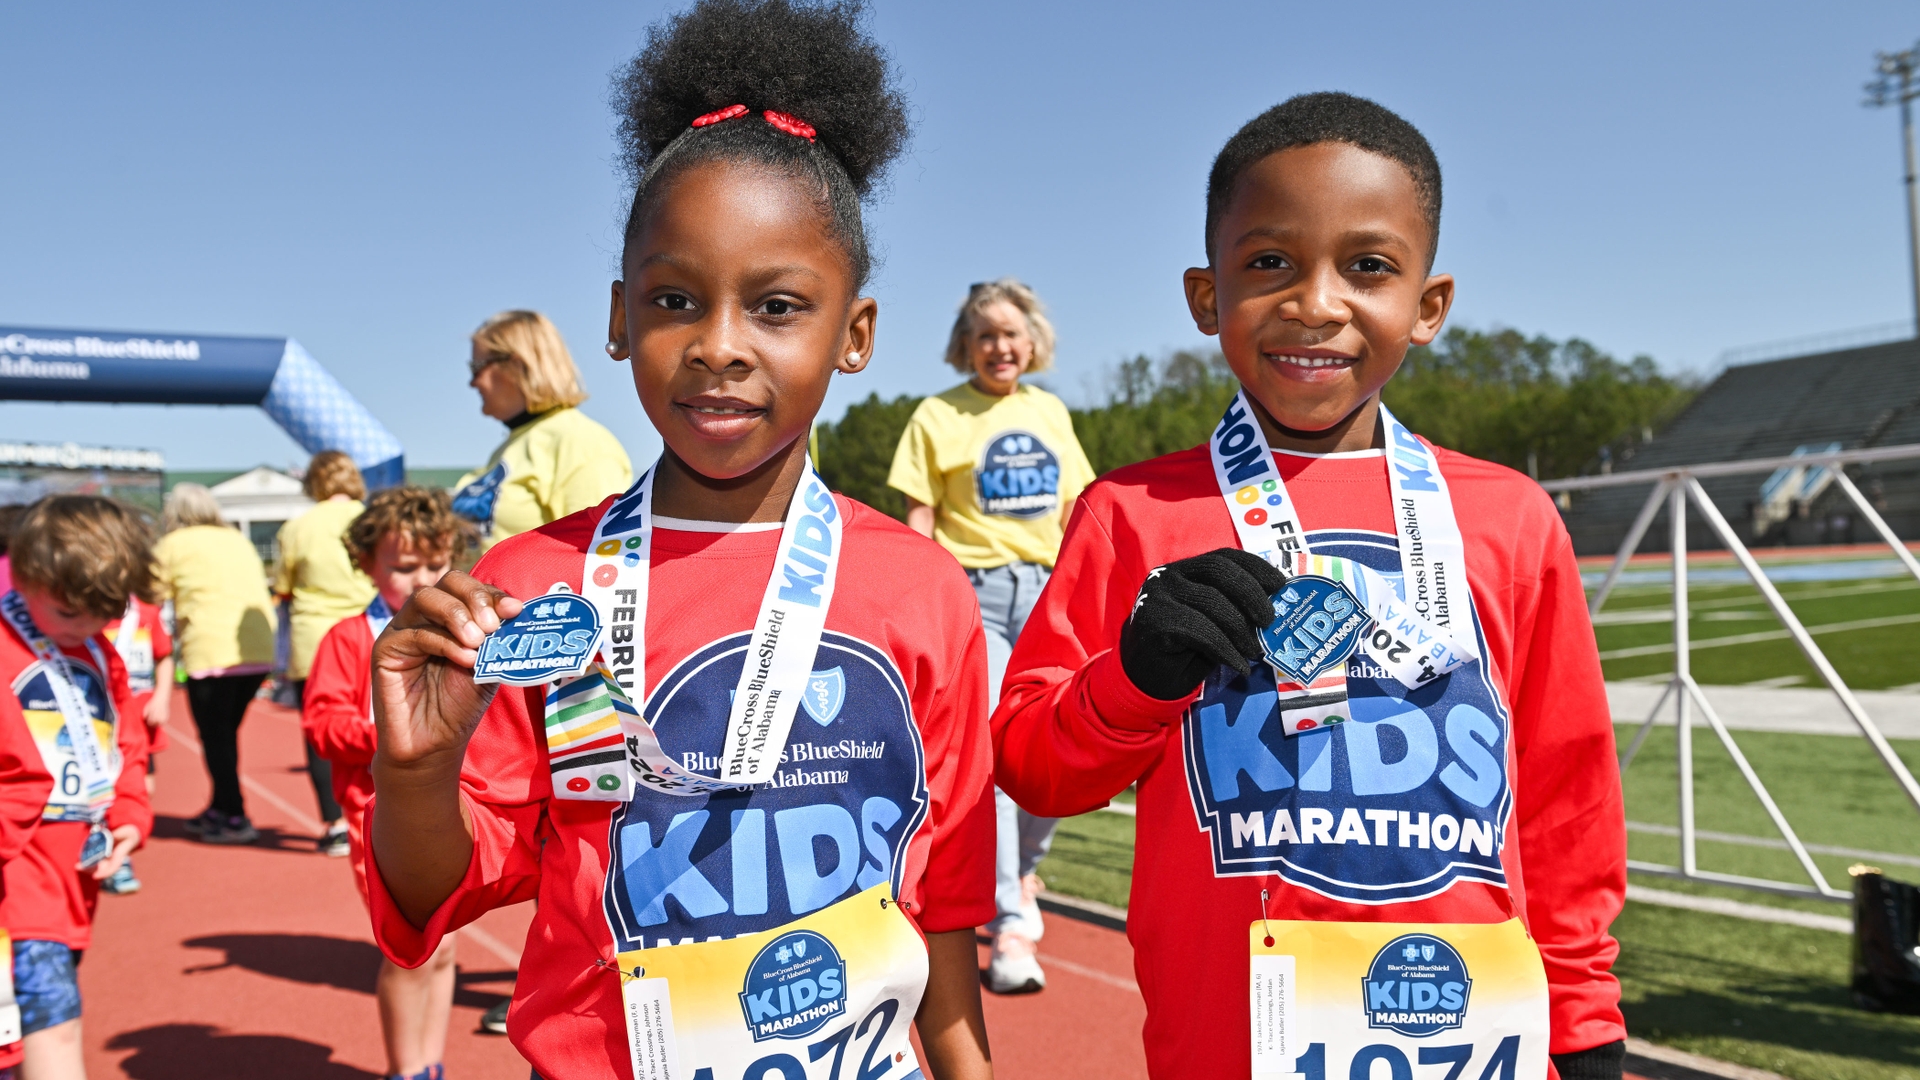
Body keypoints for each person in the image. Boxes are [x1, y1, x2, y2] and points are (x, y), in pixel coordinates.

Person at [364, 3, 996, 1077]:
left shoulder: (922, 586)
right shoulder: (533, 587)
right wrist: (415, 773)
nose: (718, 348)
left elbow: (937, 907)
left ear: (857, 336)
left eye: (778, 307)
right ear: (618, 321)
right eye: (673, 300)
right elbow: (429, 900)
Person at [993, 93, 1627, 1080]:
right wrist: (1135, 679)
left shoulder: (1509, 517)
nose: (1315, 302)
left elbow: (1565, 801)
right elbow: (1031, 765)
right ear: (1207, 298)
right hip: (1230, 1044)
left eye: (1367, 267)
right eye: (1269, 263)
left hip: (1479, 1041)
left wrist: (1585, 1022)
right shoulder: (1131, 512)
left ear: (1428, 305)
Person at [886, 278, 1093, 994]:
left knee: (1058, 754)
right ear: (965, 347)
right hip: (973, 594)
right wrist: (926, 604)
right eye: (985, 335)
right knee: (998, 753)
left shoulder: (1051, 412)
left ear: (1031, 342)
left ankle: (1025, 869)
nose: (1000, 346)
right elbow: (919, 519)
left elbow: (1076, 516)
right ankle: (1009, 925)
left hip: (1047, 592)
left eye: (1011, 333)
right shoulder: (936, 416)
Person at [304, 487, 471, 1080]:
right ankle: (407, 1068)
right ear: (367, 563)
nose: (421, 579)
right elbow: (321, 725)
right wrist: (392, 736)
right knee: (411, 950)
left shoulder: (462, 637)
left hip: (451, 815)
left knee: (447, 946)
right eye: (403, 567)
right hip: (374, 819)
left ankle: (431, 1062)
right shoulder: (348, 640)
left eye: (433, 563)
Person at [1, 496, 154, 1080]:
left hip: (74, 876)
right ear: (25, 574)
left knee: (23, 1036)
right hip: (17, 881)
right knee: (53, 1027)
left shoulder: (98, 650)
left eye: (103, 614)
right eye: (69, 612)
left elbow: (126, 743)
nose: (86, 627)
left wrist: (130, 816)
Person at [152, 484, 277, 846]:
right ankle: (220, 806)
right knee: (224, 733)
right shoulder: (236, 539)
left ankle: (234, 814)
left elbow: (151, 591)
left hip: (210, 649)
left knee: (215, 736)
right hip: (255, 648)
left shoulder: (173, 544)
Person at [451, 310, 635, 552]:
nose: (472, 382)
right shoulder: (511, 446)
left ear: (516, 365)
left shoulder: (579, 441)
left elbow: (595, 552)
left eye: (477, 367)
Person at [273, 451, 377, 857]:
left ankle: (334, 823)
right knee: (375, 717)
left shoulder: (299, 526)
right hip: (371, 630)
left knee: (323, 731)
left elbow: (283, 583)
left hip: (315, 633)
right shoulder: (370, 516)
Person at [96, 591, 172, 895]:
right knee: (104, 787)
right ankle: (117, 854)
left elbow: (164, 656)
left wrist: (162, 696)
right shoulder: (86, 620)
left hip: (140, 717)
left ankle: (120, 838)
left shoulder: (145, 613)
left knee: (144, 786)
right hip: (102, 721)